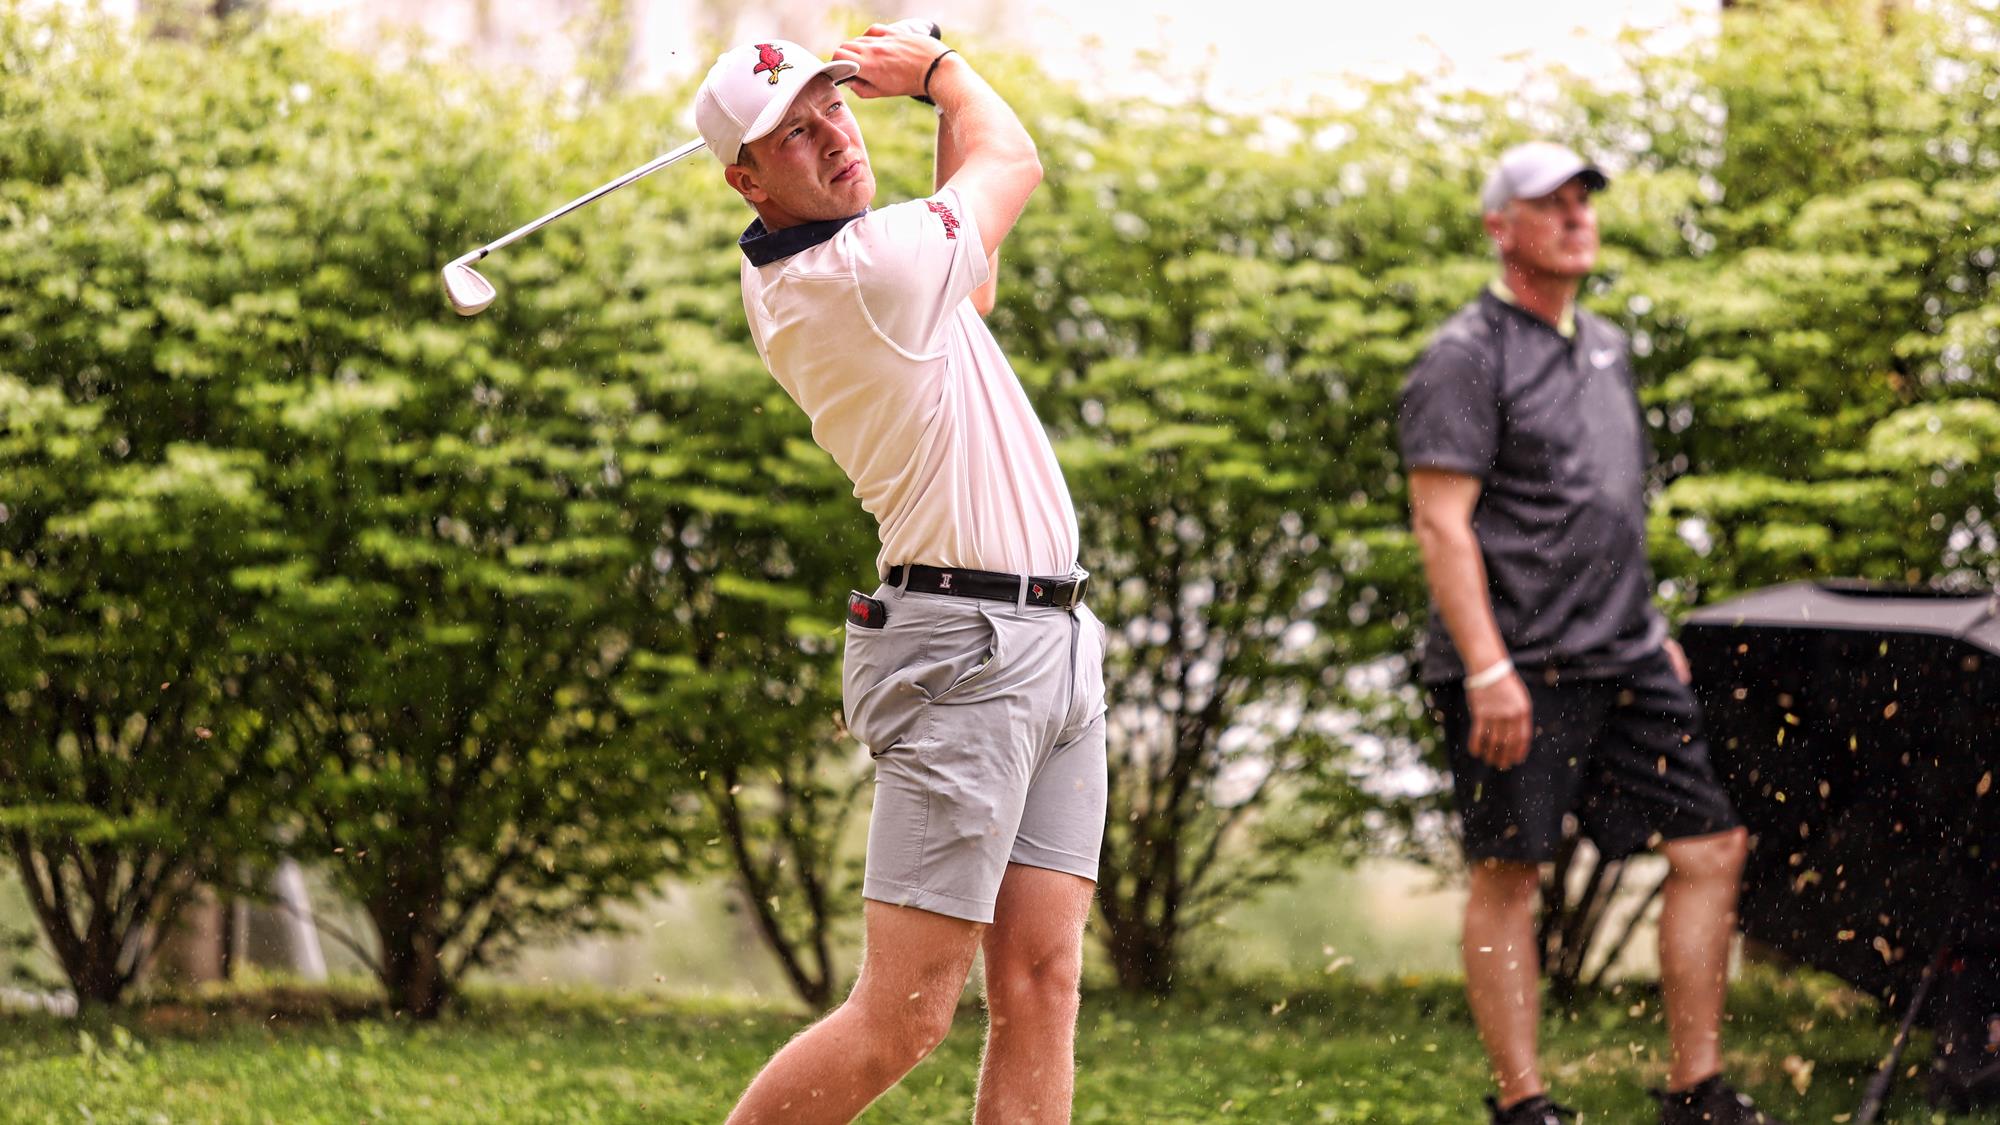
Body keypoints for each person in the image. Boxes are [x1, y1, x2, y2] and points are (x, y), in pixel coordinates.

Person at [698, 22, 1107, 1125]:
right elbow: (1012, 160)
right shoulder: (860, 270)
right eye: (792, 136)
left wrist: (930, 113)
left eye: (834, 106)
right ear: (746, 180)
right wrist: (938, 77)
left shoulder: (874, 264)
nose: (832, 136)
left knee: (1040, 985)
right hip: (963, 652)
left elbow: (968, 290)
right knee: (906, 1016)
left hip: (1051, 645)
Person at [1398, 141, 1785, 1125]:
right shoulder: (1462, 355)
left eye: (1583, 201)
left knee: (1710, 846)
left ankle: (1693, 1089)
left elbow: (1608, 508)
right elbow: (1441, 523)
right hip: (1515, 667)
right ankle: (1522, 1103)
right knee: (1509, 870)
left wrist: (1648, 627)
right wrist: (1486, 668)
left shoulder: (1606, 346)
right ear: (1499, 227)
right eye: (1549, 203)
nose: (1575, 217)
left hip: (1623, 652)